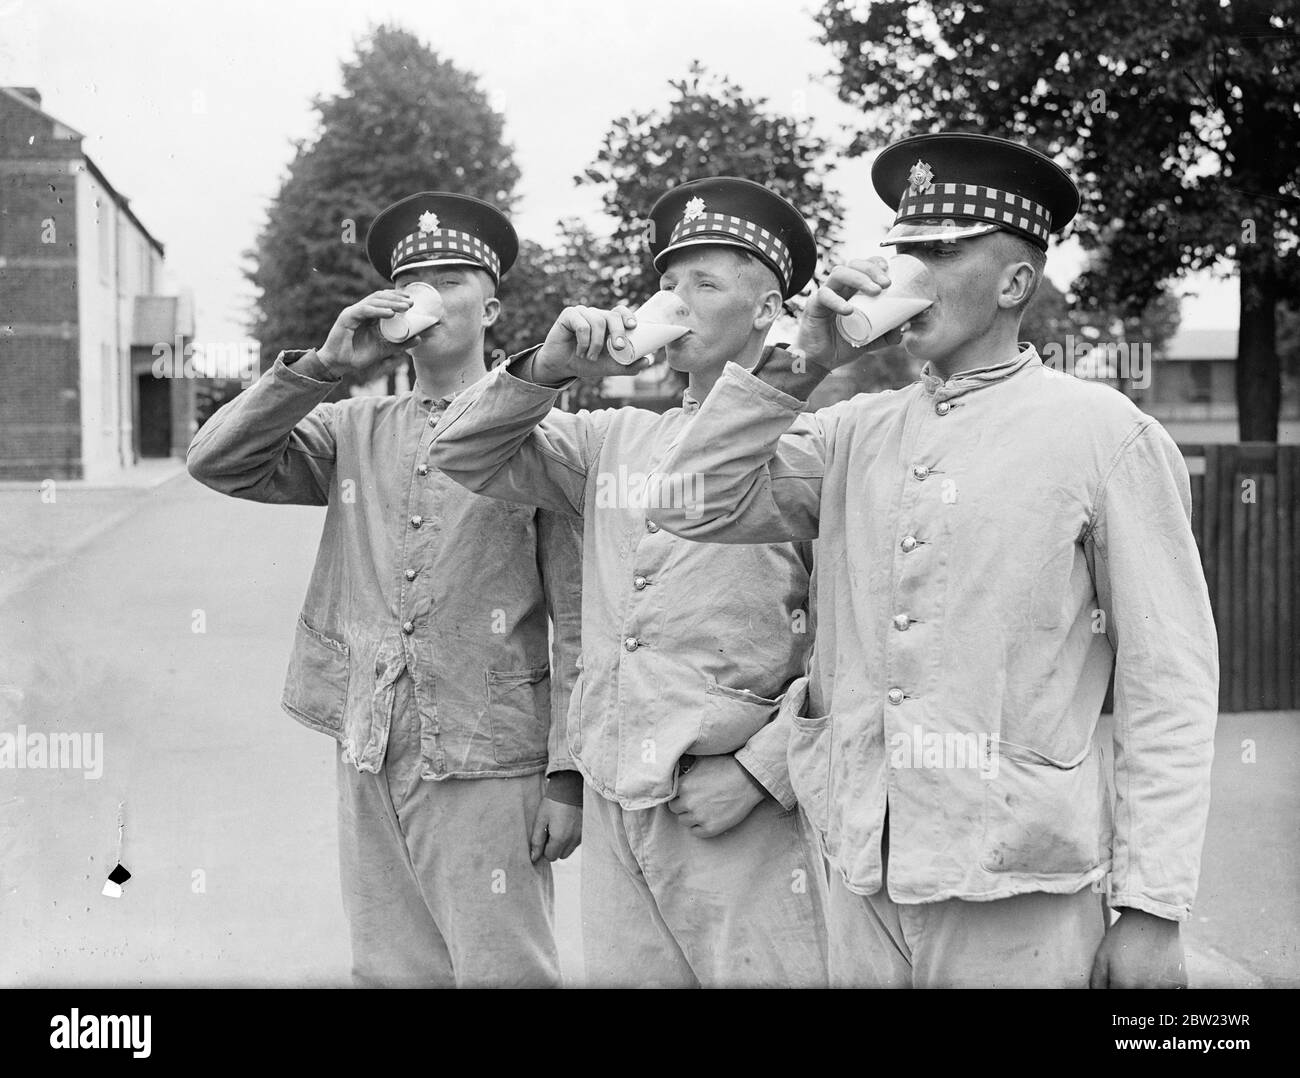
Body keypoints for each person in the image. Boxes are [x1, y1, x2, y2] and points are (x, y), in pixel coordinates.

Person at [645, 134, 1219, 989]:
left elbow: (1168, 685)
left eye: (940, 252)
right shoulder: (853, 430)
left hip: (1016, 881)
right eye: (903, 251)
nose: (907, 272)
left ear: (1015, 284)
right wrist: (803, 366)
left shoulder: (1103, 434)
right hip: (858, 871)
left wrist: (1152, 909)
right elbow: (686, 502)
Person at [428, 177, 829, 987]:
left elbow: (855, 642)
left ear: (765, 311)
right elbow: (461, 451)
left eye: (705, 283)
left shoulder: (816, 444)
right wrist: (546, 367)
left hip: (737, 812)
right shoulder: (610, 438)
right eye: (668, 284)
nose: (676, 302)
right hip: (619, 806)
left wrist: (762, 771)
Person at [187, 192, 583, 988]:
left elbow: (577, 619)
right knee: (389, 969)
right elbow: (217, 461)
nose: (426, 295)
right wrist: (325, 369)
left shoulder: (545, 437)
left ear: (493, 304)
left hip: (489, 750)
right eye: (411, 280)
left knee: (505, 967)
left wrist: (566, 776)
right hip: (369, 739)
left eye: (451, 278)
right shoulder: (353, 427)